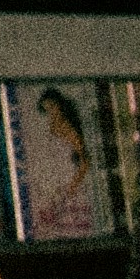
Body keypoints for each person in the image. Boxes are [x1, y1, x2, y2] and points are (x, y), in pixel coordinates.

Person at [23, 85, 97, 237]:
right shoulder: (51, 126)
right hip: (56, 179)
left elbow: (84, 161)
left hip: (70, 182)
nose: (51, 112)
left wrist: (73, 186)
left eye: (52, 107)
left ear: (59, 105)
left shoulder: (68, 128)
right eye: (47, 109)